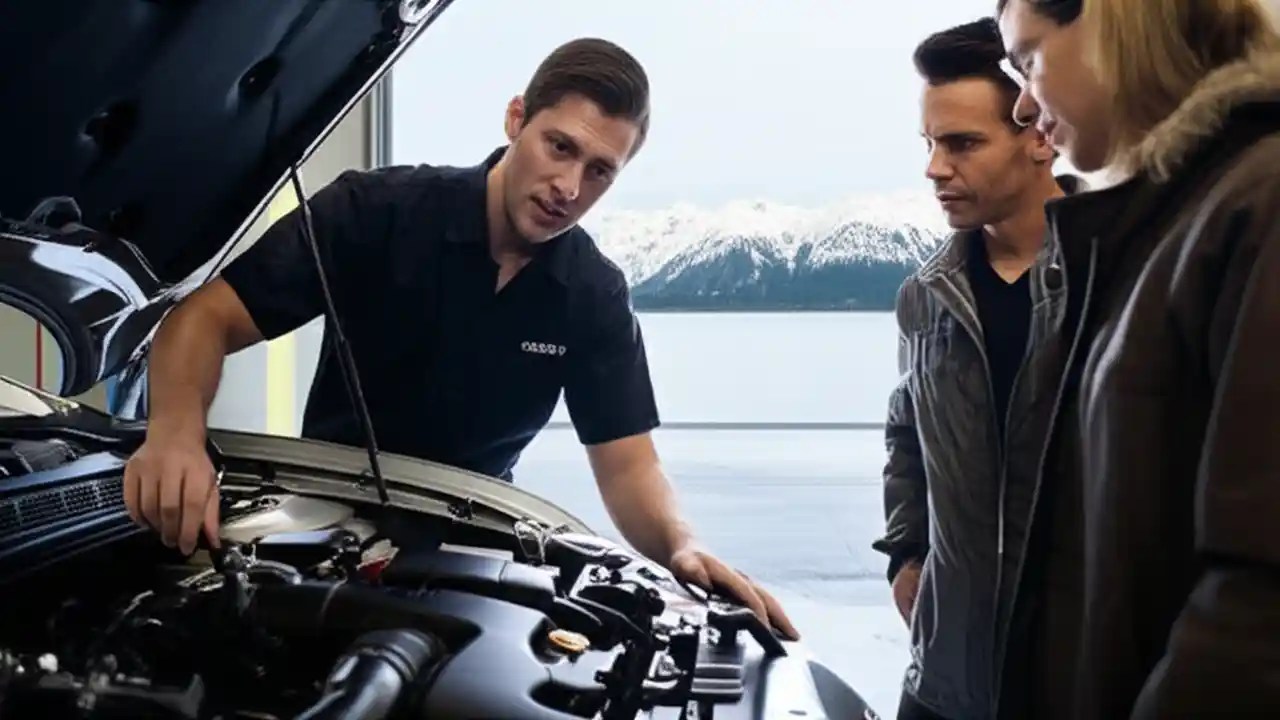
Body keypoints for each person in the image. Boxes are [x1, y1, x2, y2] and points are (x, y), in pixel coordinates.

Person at [121, 36, 798, 640]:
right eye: (559, 146)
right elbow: (203, 319)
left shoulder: (594, 292)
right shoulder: (371, 212)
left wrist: (681, 547)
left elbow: (628, 465)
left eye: (599, 171)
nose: (569, 186)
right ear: (515, 119)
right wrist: (175, 434)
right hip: (314, 531)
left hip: (473, 556)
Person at [993, 0, 1280, 717]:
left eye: (1029, 58)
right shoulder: (1172, 216)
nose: (1024, 105)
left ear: (1115, 22)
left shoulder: (1257, 202)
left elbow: (1256, 602)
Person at [872, 17, 1079, 720]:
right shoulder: (924, 295)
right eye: (930, 143)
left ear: (1040, 132)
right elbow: (905, 433)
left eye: (961, 143)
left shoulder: (1120, 275)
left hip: (1082, 676)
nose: (935, 167)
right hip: (944, 677)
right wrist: (905, 551)